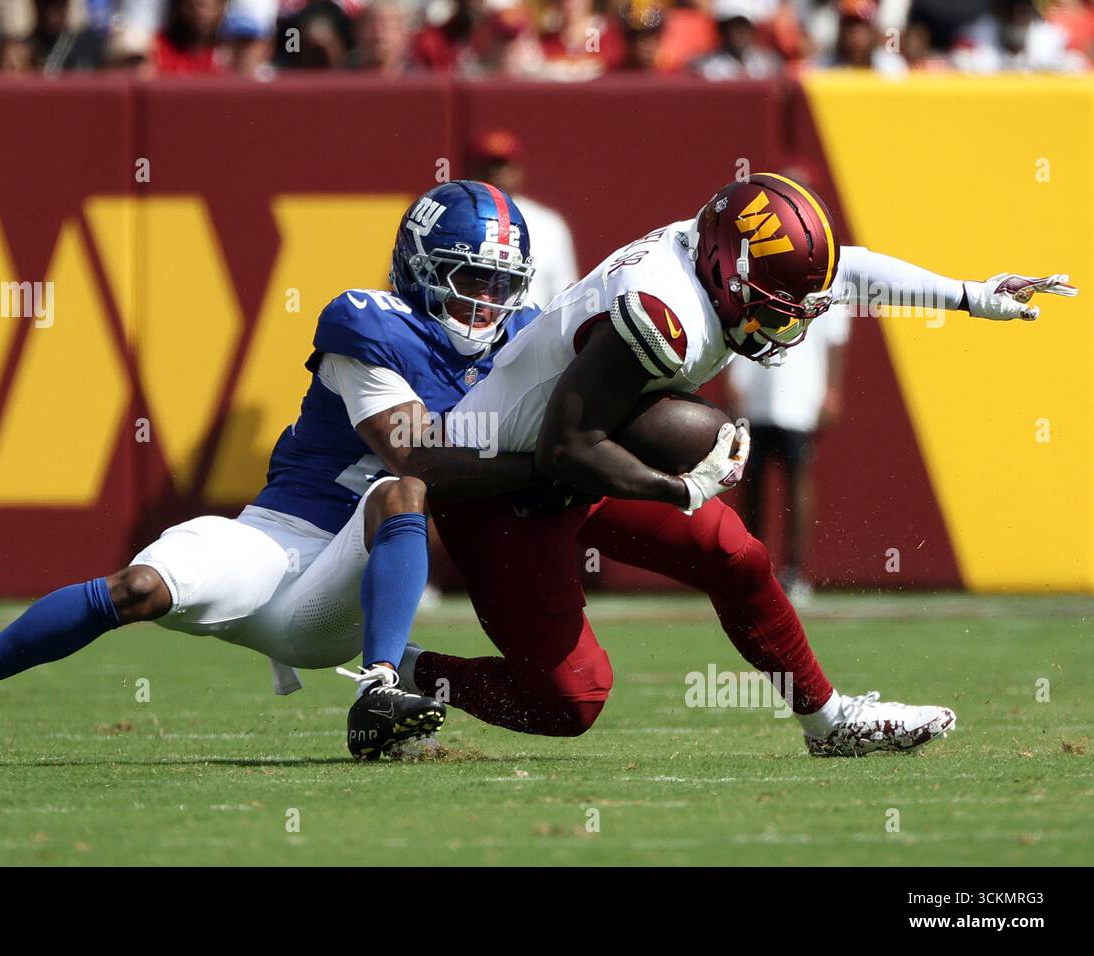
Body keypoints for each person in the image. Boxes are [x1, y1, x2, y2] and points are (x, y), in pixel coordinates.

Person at [403, 172, 1074, 756]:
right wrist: (676, 488)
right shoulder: (666, 312)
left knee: (737, 557)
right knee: (570, 702)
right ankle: (403, 674)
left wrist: (968, 295)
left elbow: (852, 271)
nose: (790, 329)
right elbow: (565, 449)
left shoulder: (728, 255)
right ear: (729, 277)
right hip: (500, 489)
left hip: (574, 456)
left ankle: (828, 721)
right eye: (777, 312)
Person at [0, 181, 542, 760]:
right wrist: (540, 464)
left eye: (501, 284)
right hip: (274, 539)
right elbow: (414, 451)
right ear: (419, 268)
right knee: (136, 586)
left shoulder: (521, 340)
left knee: (399, 496)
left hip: (337, 598)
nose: (486, 302)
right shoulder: (368, 325)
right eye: (470, 278)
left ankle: (378, 691)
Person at [727, 299, 849, 603]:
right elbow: (737, 330)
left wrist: (831, 391)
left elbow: (835, 339)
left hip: (800, 396)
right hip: (754, 396)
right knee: (750, 481)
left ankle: (795, 572)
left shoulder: (829, 286)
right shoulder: (756, 272)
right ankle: (752, 568)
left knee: (797, 477)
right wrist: (733, 380)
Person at [466, 129, 579, 310]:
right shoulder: (458, 217)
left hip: (533, 330)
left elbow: (566, 293)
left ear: (518, 170)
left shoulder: (548, 224)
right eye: (487, 166)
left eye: (503, 166)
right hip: (472, 324)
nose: (495, 173)